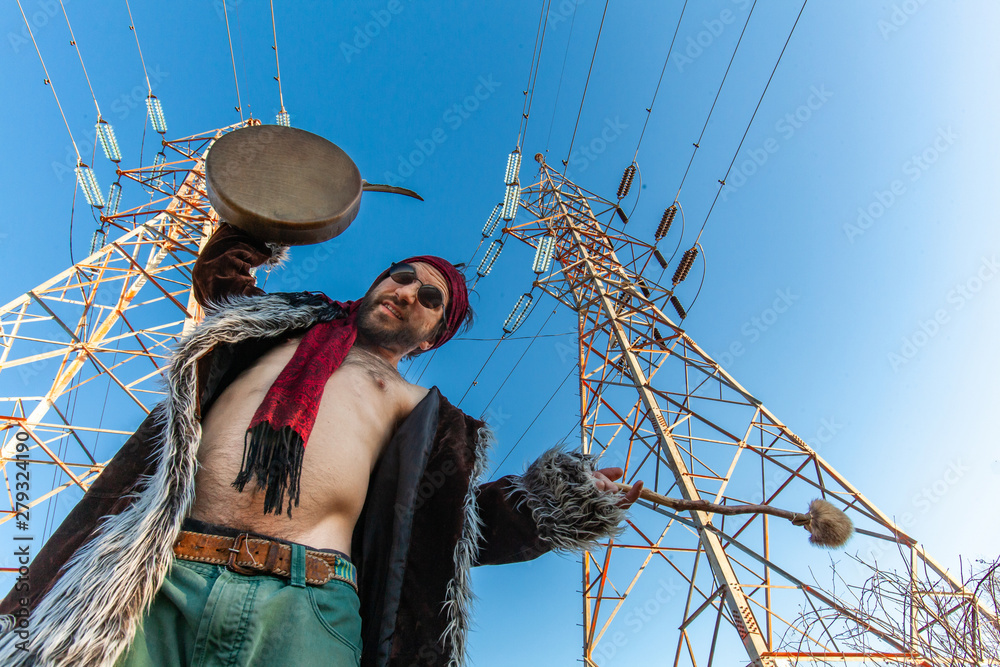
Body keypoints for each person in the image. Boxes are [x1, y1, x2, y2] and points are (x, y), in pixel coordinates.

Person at [0, 223, 642, 667]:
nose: (407, 293)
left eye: (429, 298)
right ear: (375, 285)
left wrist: (564, 501)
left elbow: (456, 524)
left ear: (430, 337)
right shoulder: (268, 333)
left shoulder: (421, 413)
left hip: (307, 608)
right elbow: (225, 286)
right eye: (401, 277)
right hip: (159, 580)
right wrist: (250, 225)